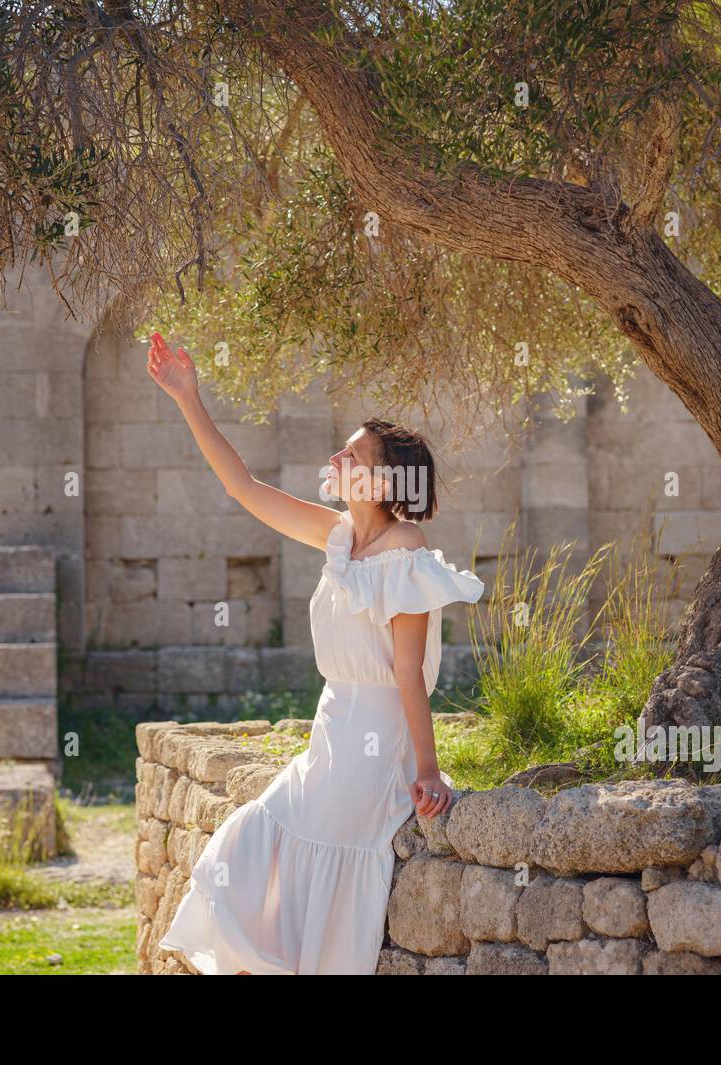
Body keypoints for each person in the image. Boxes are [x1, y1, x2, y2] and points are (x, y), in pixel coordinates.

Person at [146, 331, 485, 975]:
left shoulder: (403, 550)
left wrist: (428, 767)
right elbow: (243, 487)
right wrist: (189, 397)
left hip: (375, 743)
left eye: (353, 452)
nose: (338, 454)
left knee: (308, 871)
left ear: (383, 477)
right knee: (246, 849)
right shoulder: (338, 538)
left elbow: (409, 671)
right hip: (330, 732)